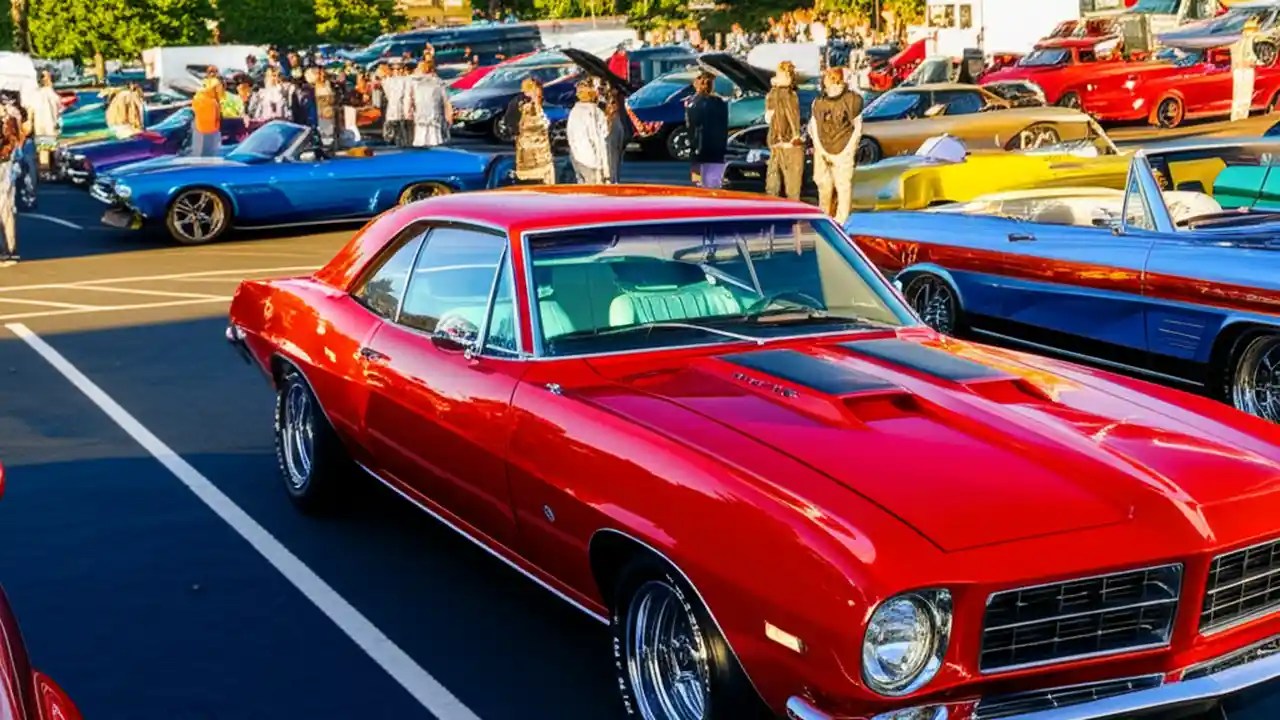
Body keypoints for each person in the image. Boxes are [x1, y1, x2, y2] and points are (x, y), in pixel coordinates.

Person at [808, 67, 862, 224]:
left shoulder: (852, 100)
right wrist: (819, 148)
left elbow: (857, 127)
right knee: (823, 184)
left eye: (826, 78)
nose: (823, 81)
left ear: (833, 79)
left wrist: (849, 149)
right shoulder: (818, 102)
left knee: (843, 186)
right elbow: (814, 126)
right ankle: (824, 216)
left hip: (843, 148)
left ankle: (842, 221)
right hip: (822, 148)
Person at [765, 61, 803, 200]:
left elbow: (771, 117)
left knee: (787, 188)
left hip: (788, 144)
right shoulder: (776, 94)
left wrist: (794, 136)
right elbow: (770, 117)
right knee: (775, 186)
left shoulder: (788, 95)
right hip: (780, 144)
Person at [505, 77, 555, 184]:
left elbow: (509, 121)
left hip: (529, 151)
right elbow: (539, 124)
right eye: (538, 92)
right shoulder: (526, 105)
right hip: (536, 155)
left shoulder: (520, 102)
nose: (541, 95)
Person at [685, 71, 728, 187]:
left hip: (699, 150)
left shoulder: (692, 103)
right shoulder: (720, 103)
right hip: (717, 151)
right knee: (714, 185)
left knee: (698, 185)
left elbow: (691, 127)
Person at [567, 81, 610, 184]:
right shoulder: (595, 112)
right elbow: (602, 139)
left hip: (577, 157)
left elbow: (570, 136)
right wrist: (604, 168)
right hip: (592, 161)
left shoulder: (574, 112)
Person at [0, 91, 23, 266]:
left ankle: (7, 249)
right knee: (6, 208)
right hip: (7, 163)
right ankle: (10, 248)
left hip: (3, 163)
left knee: (4, 207)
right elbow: (16, 139)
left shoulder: (7, 118)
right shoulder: (11, 116)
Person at [410, 58, 451, 148]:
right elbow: (445, 98)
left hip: (420, 110)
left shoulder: (414, 81)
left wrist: (410, 109)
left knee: (421, 133)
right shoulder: (438, 82)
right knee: (434, 136)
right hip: (433, 110)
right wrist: (448, 113)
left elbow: (410, 97)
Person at [32, 70, 61, 180]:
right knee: (46, 149)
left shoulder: (39, 93)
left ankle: (45, 171)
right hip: (46, 124)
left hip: (43, 124)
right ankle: (46, 171)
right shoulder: (46, 93)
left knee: (45, 149)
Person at [1232, 17, 1260, 122]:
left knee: (1242, 95)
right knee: (1241, 95)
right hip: (1242, 69)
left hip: (1244, 69)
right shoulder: (1241, 40)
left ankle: (1240, 116)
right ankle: (1238, 117)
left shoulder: (1251, 40)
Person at [191, 78, 223, 157]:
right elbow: (218, 116)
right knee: (209, 150)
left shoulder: (197, 97)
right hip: (211, 129)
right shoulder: (213, 101)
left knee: (200, 149)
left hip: (198, 129)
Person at [603, 85, 626, 183]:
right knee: (613, 156)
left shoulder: (616, 116)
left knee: (614, 157)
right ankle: (613, 179)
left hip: (613, 125)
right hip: (612, 124)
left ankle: (613, 179)